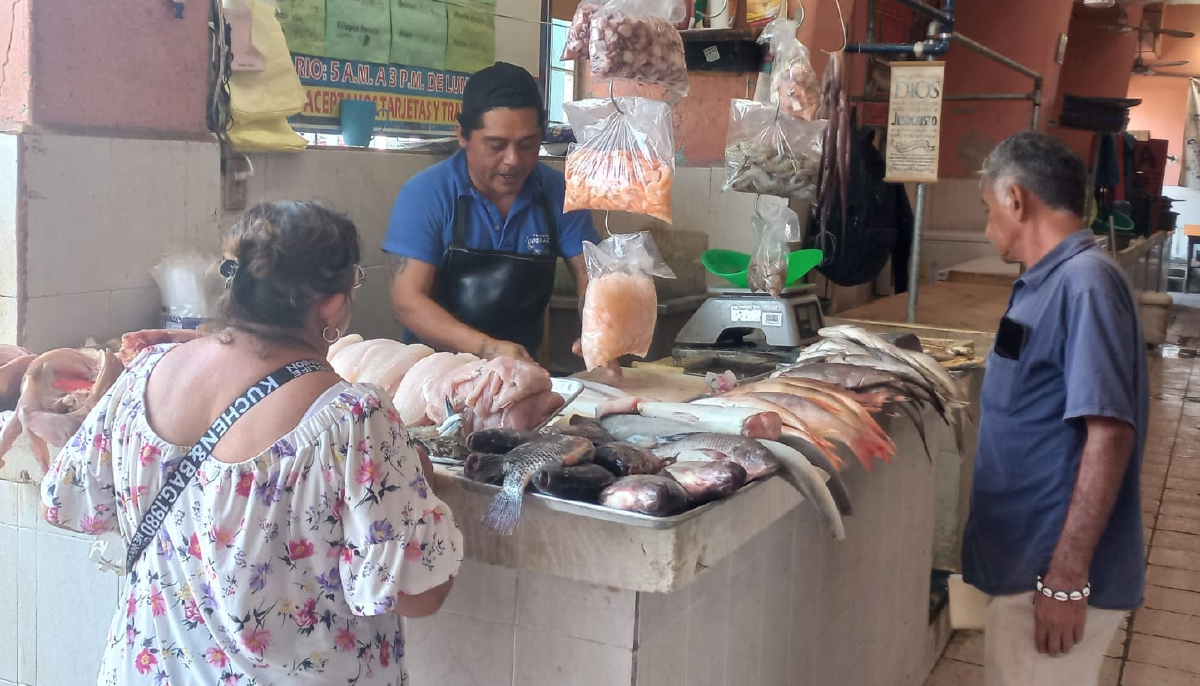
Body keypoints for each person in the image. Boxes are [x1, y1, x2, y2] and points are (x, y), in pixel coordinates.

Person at [41, 201, 462, 685]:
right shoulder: (351, 418)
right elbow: (416, 592)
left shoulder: (145, 373)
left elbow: (68, 503)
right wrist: (419, 480)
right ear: (332, 305)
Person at [962, 131, 1148, 686]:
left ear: (1015, 199)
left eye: (988, 207)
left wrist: (1066, 580)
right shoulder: (1048, 281)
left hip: (1051, 574)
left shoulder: (1084, 284)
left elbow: (1109, 433)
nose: (987, 224)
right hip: (1025, 564)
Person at [383, 62, 618, 375]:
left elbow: (590, 272)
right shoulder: (426, 194)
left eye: (527, 144)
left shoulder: (558, 193)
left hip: (520, 374)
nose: (513, 160)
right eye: (496, 146)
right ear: (462, 135)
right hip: (433, 376)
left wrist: (598, 327)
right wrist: (488, 348)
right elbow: (407, 301)